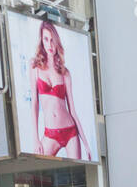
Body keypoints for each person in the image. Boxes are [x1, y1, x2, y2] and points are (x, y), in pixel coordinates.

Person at [30, 19, 92, 160]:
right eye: (46, 39)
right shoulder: (34, 66)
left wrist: (87, 145)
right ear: (42, 41)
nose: (50, 44)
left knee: (78, 173)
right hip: (50, 134)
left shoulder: (65, 73)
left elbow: (73, 111)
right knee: (40, 168)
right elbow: (34, 103)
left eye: (52, 40)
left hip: (70, 133)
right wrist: (35, 138)